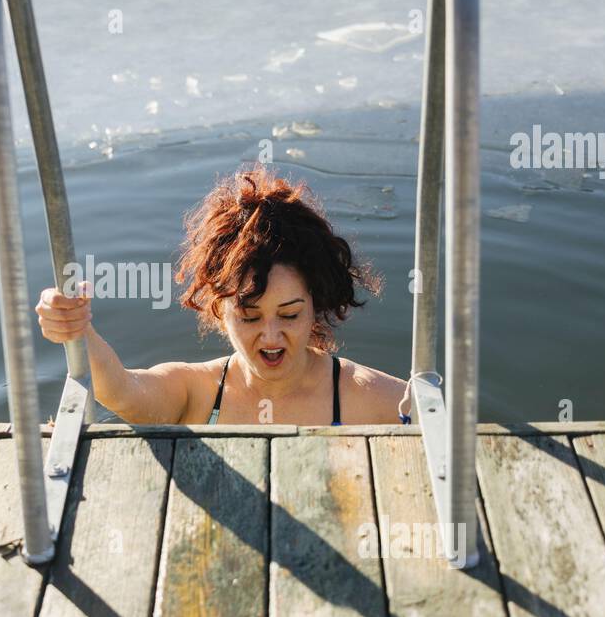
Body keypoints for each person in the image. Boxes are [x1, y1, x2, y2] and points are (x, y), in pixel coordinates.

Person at [34, 164, 409, 425]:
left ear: (316, 305)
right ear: (219, 310)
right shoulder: (195, 394)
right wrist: (76, 330)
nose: (272, 336)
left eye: (290, 314)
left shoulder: (370, 399)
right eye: (250, 316)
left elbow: (449, 432)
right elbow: (120, 391)